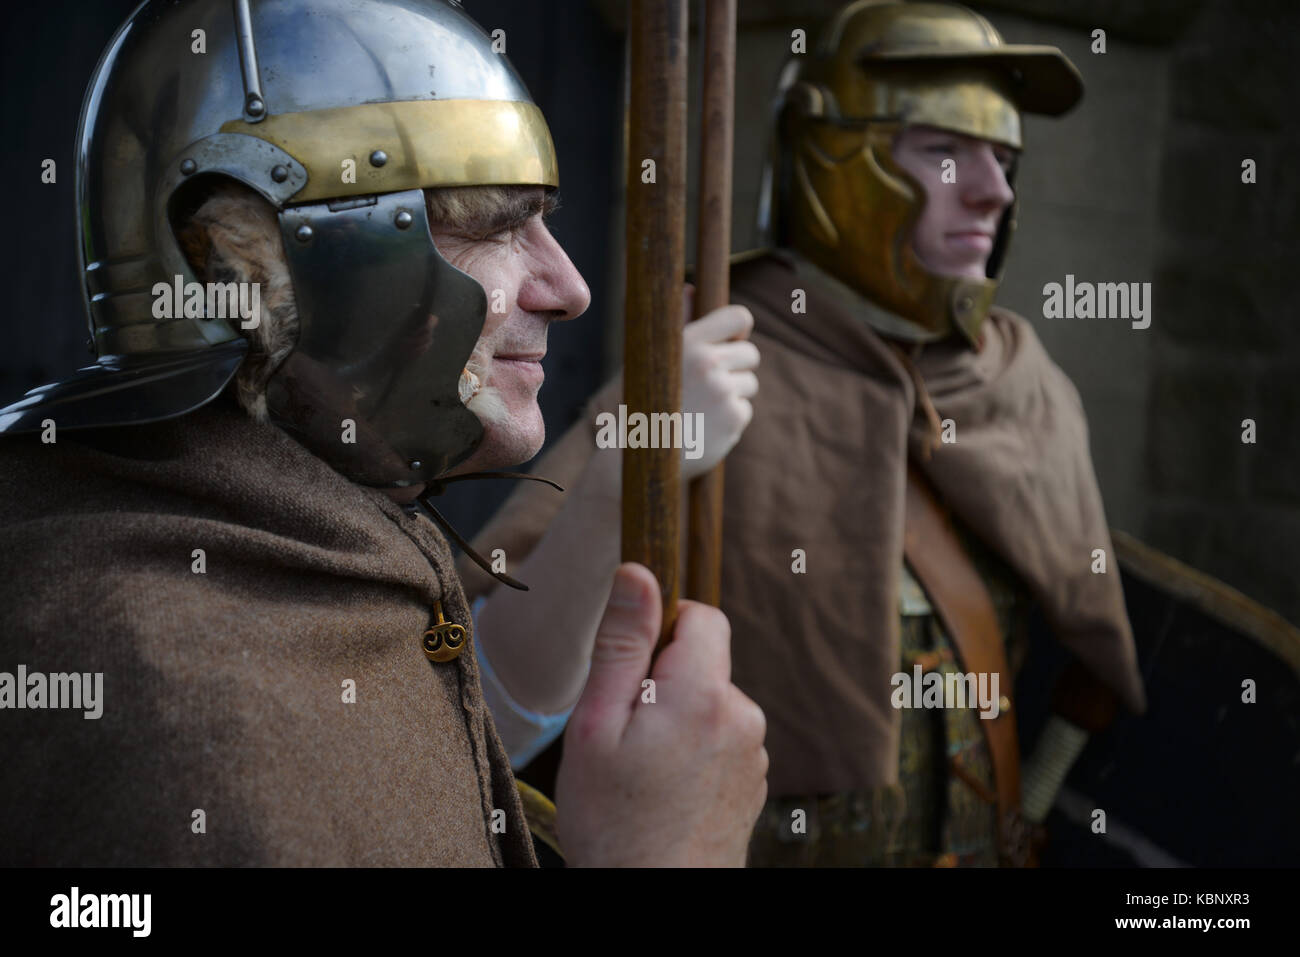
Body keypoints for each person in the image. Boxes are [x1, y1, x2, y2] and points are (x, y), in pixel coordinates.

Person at [0, 0, 767, 867]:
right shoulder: (184, 715)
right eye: (492, 225)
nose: (570, 287)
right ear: (258, 257)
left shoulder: (303, 531)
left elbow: (438, 729)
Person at [457, 0, 1147, 867]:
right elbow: (487, 695)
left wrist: (1036, 803)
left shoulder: (1023, 381)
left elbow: (1084, 671)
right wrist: (643, 449)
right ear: (833, 155)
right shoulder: (714, 359)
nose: (993, 189)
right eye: (944, 151)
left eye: (1004, 159)